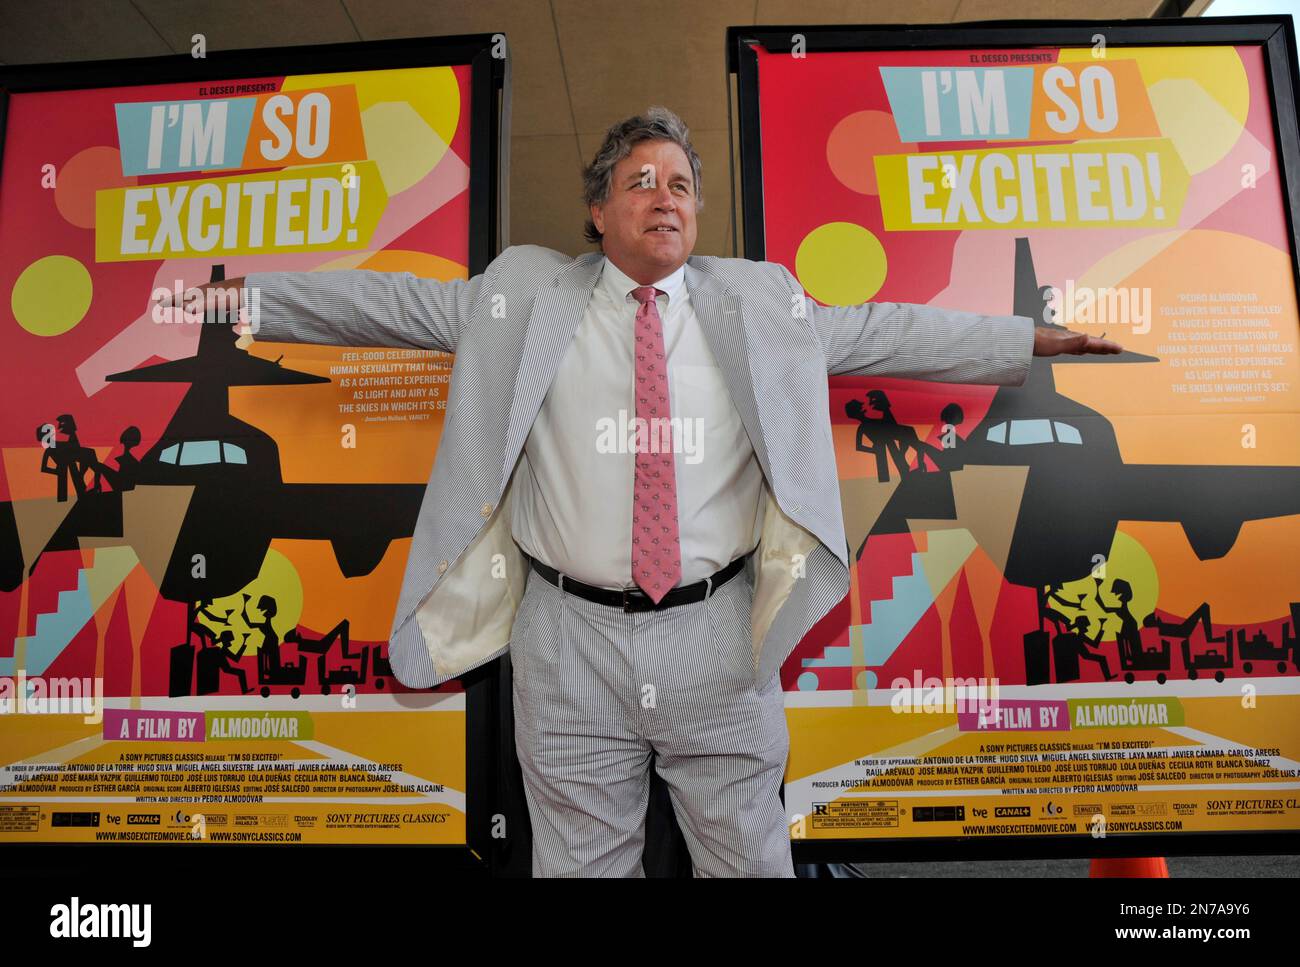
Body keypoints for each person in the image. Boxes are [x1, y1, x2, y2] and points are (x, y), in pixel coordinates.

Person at [159, 106, 1121, 877]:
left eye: (682, 185)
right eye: (641, 182)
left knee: (747, 852)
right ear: (598, 211)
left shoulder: (760, 302)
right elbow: (376, 305)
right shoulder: (523, 296)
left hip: (717, 630)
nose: (667, 198)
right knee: (581, 858)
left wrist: (1033, 341)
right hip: (565, 636)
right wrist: (237, 299)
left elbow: (891, 330)